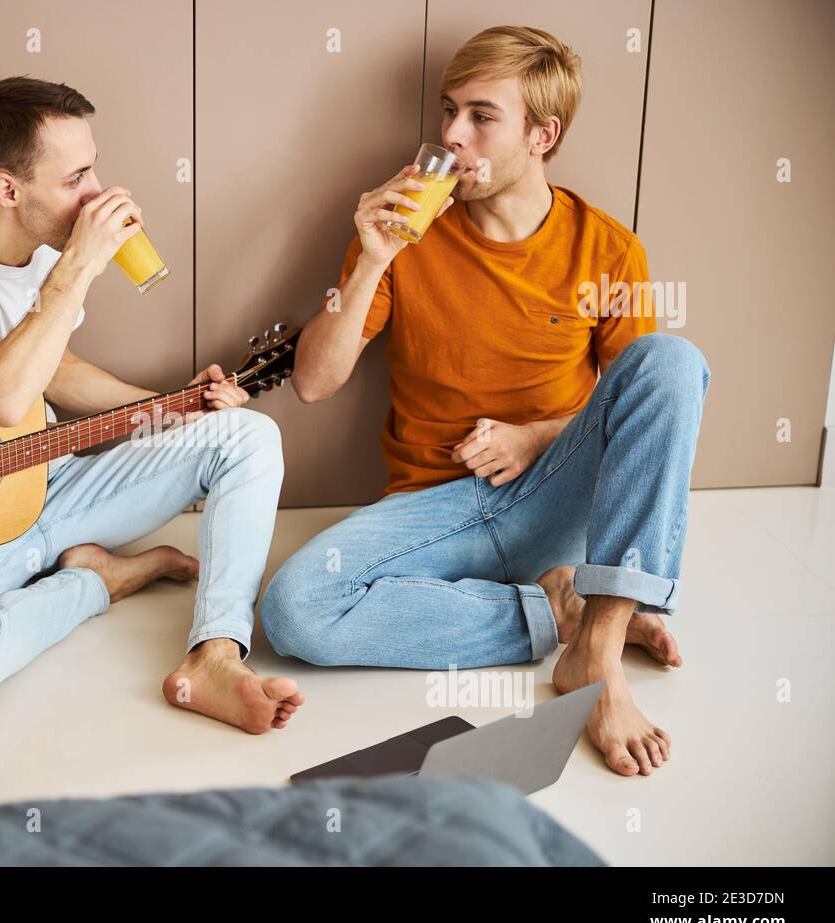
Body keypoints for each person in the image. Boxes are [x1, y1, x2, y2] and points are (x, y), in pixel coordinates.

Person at [260, 26, 710, 776]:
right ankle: (566, 613)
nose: (450, 136)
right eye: (448, 112)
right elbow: (313, 380)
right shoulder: (406, 231)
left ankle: (596, 653)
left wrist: (537, 439)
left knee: (671, 361)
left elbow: (642, 407)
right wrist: (374, 259)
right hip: (436, 512)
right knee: (294, 610)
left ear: (542, 135)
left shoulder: (606, 248)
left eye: (480, 116)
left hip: (554, 501)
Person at [0, 77, 302, 734]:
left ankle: (215, 656)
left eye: (93, 167)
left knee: (248, 435)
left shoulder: (43, 257)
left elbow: (57, 372)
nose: (98, 192)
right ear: (8, 189)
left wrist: (175, 407)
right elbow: (0, 391)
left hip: (53, 483)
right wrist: (76, 269)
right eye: (76, 176)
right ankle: (101, 579)